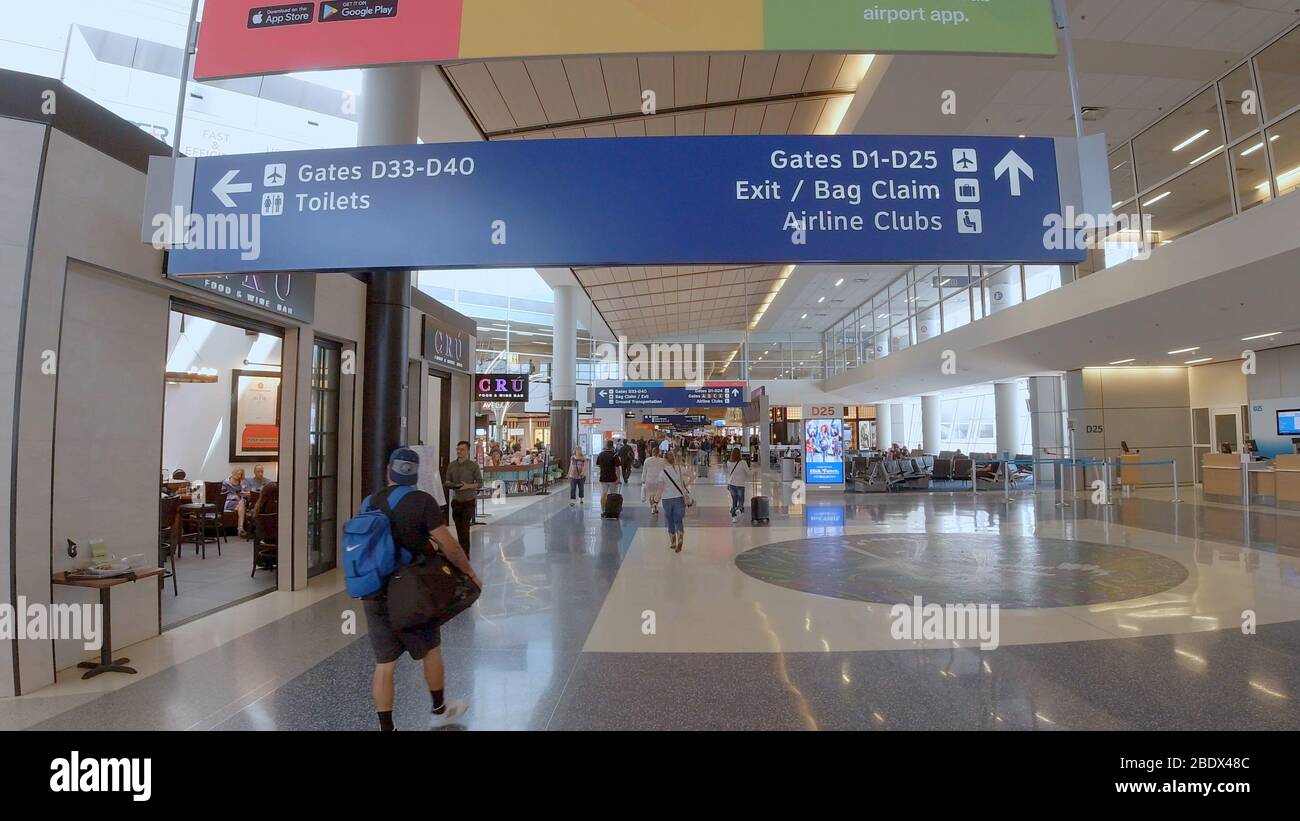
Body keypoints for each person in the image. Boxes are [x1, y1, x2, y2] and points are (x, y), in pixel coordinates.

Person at [364, 448, 481, 732]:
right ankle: (439, 710)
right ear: (415, 473)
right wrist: (469, 571)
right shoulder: (422, 501)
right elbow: (448, 545)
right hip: (411, 592)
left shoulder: (369, 502)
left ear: (388, 471)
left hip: (374, 591)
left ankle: (387, 728)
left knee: (384, 663)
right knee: (430, 650)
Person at [446, 440, 482, 558]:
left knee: (465, 528)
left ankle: (465, 554)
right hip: (456, 501)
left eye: (462, 449)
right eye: (458, 449)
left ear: (467, 451)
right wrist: (451, 485)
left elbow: (479, 483)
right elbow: (447, 481)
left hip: (468, 501)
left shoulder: (473, 466)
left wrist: (467, 486)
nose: (459, 452)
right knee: (458, 527)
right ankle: (460, 552)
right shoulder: (452, 465)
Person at [660, 451, 689, 553]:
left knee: (670, 520)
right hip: (679, 498)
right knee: (678, 521)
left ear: (665, 460)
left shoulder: (662, 472)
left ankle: (673, 542)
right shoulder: (680, 469)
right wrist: (685, 485)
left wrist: (655, 500)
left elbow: (660, 489)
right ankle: (680, 538)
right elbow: (692, 475)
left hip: (667, 499)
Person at [725, 448, 752, 524]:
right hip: (740, 484)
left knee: (734, 501)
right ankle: (739, 509)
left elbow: (729, 473)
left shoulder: (728, 462)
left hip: (731, 484)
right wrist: (753, 471)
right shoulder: (743, 462)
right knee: (741, 501)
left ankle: (734, 517)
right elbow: (748, 473)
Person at [642, 446, 667, 515]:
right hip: (659, 481)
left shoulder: (647, 460)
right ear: (659, 453)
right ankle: (655, 506)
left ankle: (652, 508)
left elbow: (644, 471)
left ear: (652, 452)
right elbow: (665, 471)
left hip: (649, 480)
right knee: (657, 495)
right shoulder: (662, 461)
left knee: (651, 495)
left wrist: (643, 480)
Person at [595, 440, 621, 507]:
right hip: (612, 478)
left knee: (603, 494)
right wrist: (618, 479)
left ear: (606, 446)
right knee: (613, 495)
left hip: (603, 478)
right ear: (612, 446)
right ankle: (612, 510)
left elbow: (598, 465)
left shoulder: (601, 454)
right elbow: (617, 468)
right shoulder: (615, 455)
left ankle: (603, 510)